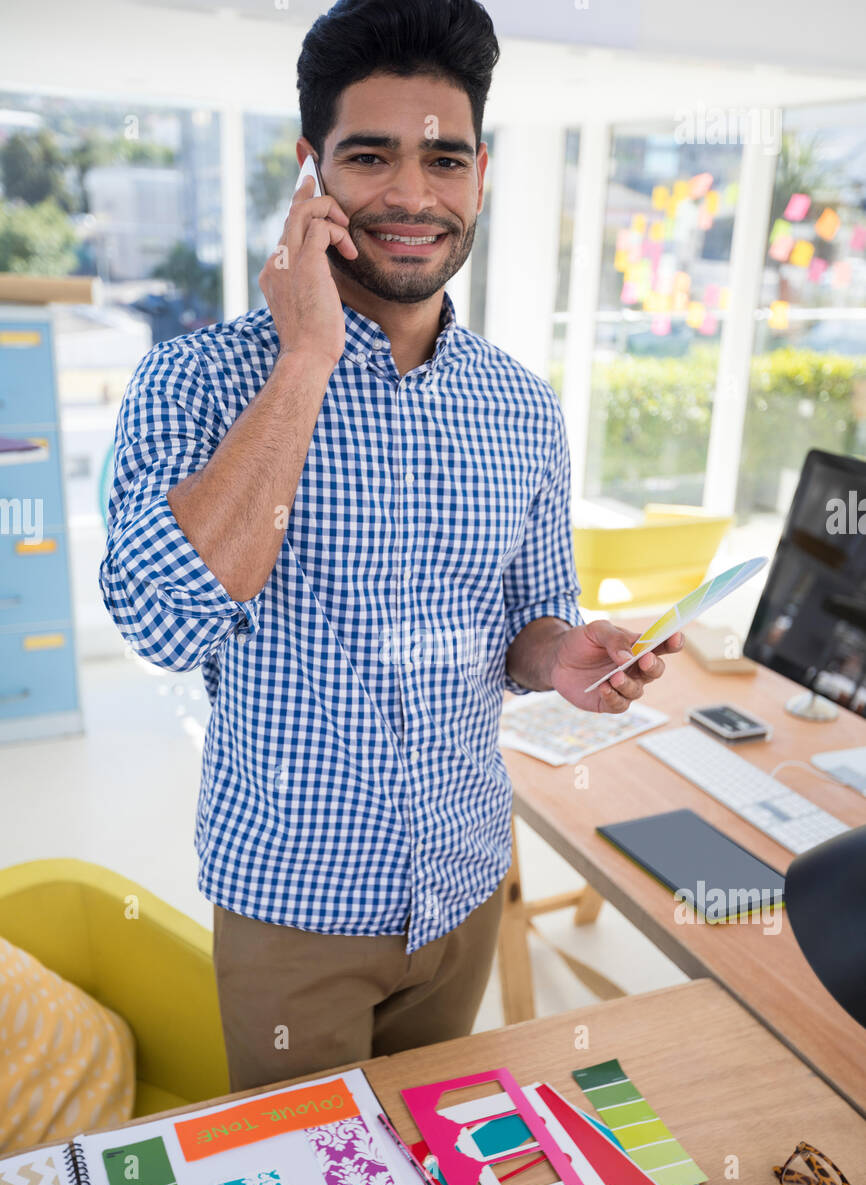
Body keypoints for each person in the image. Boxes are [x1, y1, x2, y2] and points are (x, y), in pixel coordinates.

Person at [100, 0, 682, 1091]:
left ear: (480, 175)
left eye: (444, 159)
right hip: (295, 910)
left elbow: (524, 618)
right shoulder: (197, 380)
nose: (412, 194)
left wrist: (558, 656)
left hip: (462, 884)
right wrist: (307, 354)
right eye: (369, 156)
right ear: (309, 173)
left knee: (444, 1179)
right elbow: (160, 622)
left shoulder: (519, 405)